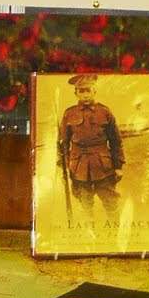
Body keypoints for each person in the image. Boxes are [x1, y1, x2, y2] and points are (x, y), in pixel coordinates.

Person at [58, 75, 124, 223]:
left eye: (88, 90)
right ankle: (90, 235)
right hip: (78, 164)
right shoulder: (69, 114)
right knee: (85, 201)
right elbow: (63, 143)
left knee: (110, 200)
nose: (85, 95)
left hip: (103, 164)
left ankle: (115, 232)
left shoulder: (105, 112)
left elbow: (116, 141)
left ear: (95, 91)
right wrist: (64, 166)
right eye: (81, 91)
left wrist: (118, 166)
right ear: (76, 93)